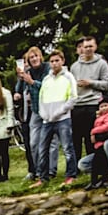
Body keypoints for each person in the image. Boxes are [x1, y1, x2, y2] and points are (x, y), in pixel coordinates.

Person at [69, 35, 108, 181]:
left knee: (91, 138)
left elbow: (107, 84)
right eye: (85, 46)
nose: (87, 49)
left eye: (90, 46)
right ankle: (75, 169)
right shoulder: (75, 66)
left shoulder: (101, 64)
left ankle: (92, 167)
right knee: (76, 139)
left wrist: (91, 83)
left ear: (95, 47)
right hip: (78, 105)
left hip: (93, 103)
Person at [32, 49, 76, 185]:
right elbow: (41, 98)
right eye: (52, 61)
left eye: (57, 60)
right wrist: (44, 114)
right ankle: (43, 177)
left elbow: (73, 98)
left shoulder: (68, 77)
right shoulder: (46, 79)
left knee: (67, 148)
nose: (54, 63)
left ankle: (71, 175)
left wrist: (60, 111)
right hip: (47, 120)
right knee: (43, 149)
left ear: (62, 61)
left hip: (63, 119)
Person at [13, 45, 47, 181]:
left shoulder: (45, 69)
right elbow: (19, 90)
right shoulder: (26, 74)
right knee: (31, 143)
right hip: (29, 112)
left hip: (43, 109)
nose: (31, 61)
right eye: (29, 59)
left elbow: (44, 87)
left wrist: (31, 81)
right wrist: (21, 78)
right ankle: (35, 170)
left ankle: (47, 170)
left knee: (46, 142)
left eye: (34, 57)